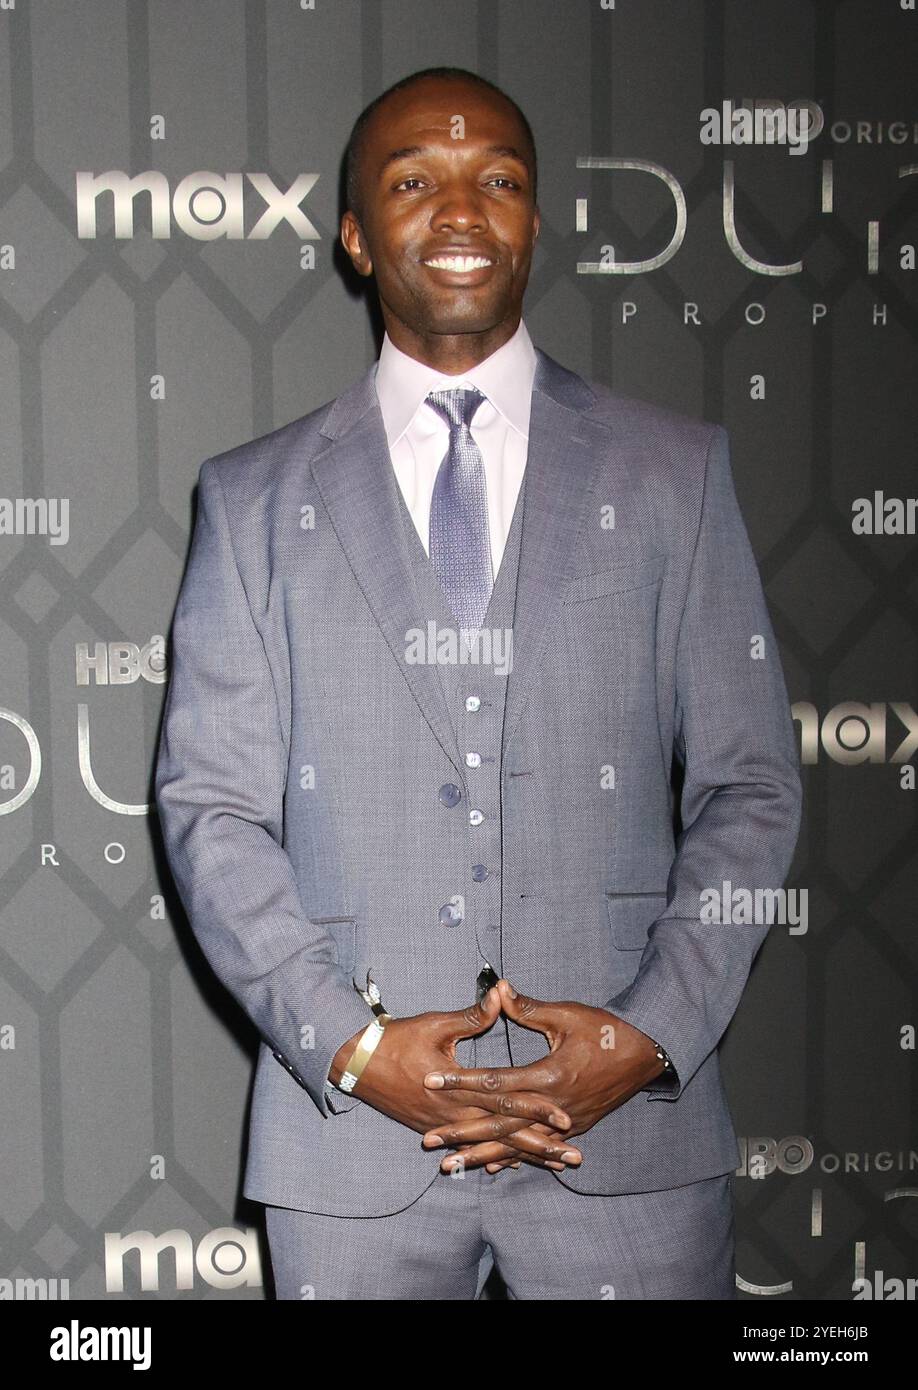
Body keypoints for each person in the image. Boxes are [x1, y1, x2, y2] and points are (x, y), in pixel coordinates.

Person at [154, 65, 802, 1300]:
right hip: (351, 1150)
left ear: (537, 219)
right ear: (355, 234)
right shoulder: (251, 502)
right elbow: (212, 811)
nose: (460, 211)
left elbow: (753, 785)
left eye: (498, 180)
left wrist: (648, 1034)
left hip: (630, 1148)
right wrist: (350, 1049)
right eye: (414, 182)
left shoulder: (674, 473)